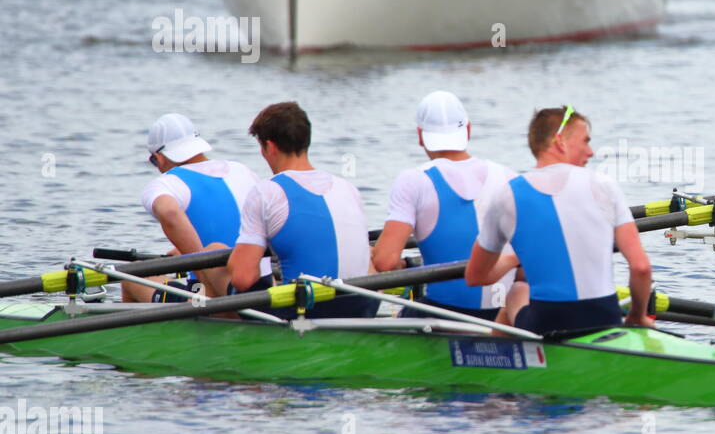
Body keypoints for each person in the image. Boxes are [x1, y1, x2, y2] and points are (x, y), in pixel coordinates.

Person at [467, 107, 654, 336]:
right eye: (585, 142)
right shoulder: (605, 185)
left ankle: (495, 364)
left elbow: (476, 276)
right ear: (559, 142)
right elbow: (641, 268)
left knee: (517, 290)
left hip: (546, 323)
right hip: (605, 318)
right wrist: (636, 316)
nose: (591, 152)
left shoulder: (507, 194)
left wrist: (515, 259)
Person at [372, 91, 521, 322]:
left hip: (443, 314)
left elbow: (385, 261)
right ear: (468, 131)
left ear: (421, 136)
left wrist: (404, 264)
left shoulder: (413, 180)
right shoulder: (510, 177)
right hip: (502, 316)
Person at [228, 102, 378, 318]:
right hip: (362, 308)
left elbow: (243, 278)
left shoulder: (267, 191)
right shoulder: (348, 188)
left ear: (269, 147)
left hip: (307, 313)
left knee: (237, 284)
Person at [122, 114, 267, 303]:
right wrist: (184, 248)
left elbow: (169, 212)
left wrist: (196, 260)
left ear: (158, 158)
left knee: (131, 278)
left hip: (211, 295)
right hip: (264, 285)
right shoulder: (242, 170)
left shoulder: (167, 183)